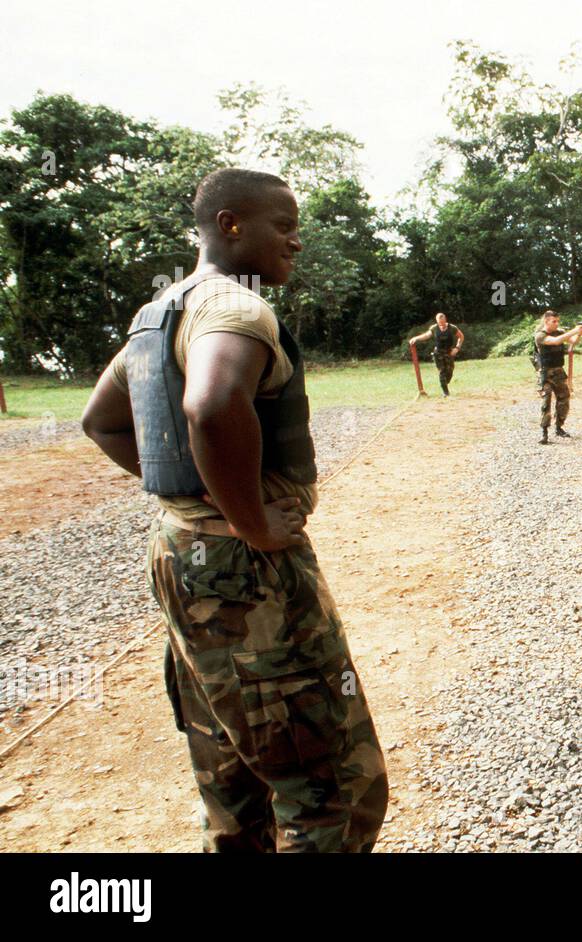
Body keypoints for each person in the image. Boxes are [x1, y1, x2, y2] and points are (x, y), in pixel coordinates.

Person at [80, 168, 388, 851]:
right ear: (230, 225)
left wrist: (198, 500)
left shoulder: (157, 315)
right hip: (247, 574)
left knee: (232, 780)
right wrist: (245, 519)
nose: (296, 241)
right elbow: (213, 407)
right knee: (332, 792)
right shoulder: (235, 309)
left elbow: (102, 421)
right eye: (283, 225)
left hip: (183, 556)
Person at [533, 310, 582, 444]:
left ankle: (559, 427)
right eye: (554, 321)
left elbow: (573, 341)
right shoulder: (540, 335)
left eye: (558, 321)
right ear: (546, 321)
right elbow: (556, 341)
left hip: (558, 372)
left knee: (564, 400)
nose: (557, 324)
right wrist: (574, 330)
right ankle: (544, 432)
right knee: (546, 402)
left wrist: (579, 334)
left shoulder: (560, 332)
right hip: (545, 373)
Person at [408, 312, 464, 396]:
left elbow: (461, 336)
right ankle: (446, 393)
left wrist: (457, 348)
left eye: (443, 322)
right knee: (442, 371)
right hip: (438, 353)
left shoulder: (452, 328)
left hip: (449, 352)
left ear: (445, 320)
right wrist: (416, 338)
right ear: (437, 321)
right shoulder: (434, 328)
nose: (441, 325)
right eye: (439, 323)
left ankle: (445, 383)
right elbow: (426, 335)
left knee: (449, 371)